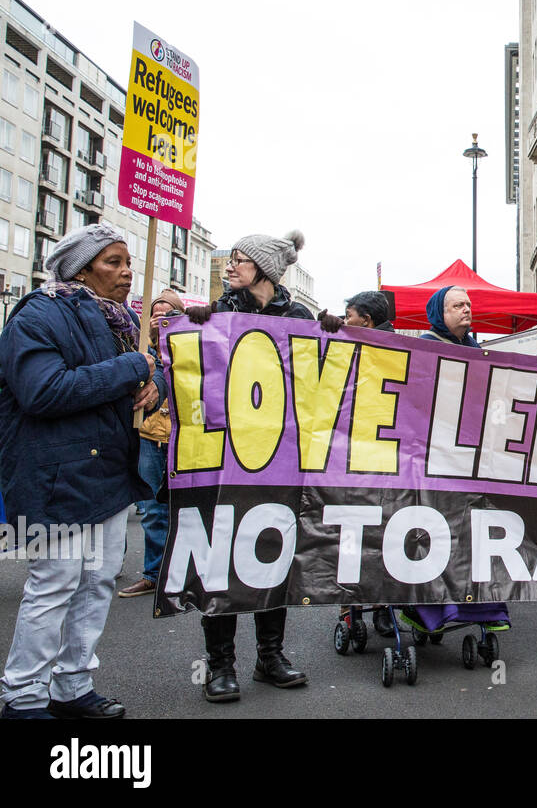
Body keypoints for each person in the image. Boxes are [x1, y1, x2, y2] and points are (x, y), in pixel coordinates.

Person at [0, 224, 167, 719]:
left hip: (108, 473)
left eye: (129, 262)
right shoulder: (39, 314)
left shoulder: (118, 321)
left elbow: (129, 377)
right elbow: (42, 390)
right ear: (80, 267)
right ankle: (23, 694)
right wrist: (132, 369)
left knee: (97, 581)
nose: (126, 272)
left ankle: (71, 685)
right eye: (113, 262)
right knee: (54, 585)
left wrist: (150, 385)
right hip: (54, 474)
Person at [185, 230, 332, 702]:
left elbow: (319, 381)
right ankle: (220, 664)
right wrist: (188, 327)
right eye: (231, 260)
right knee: (222, 555)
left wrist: (332, 335)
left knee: (272, 554)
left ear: (264, 270)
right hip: (225, 458)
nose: (230, 267)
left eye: (240, 260)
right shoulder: (220, 312)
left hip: (281, 458)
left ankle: (271, 656)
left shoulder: (298, 317)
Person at [117, 289, 187, 600]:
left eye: (167, 311)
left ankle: (184, 573)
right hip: (148, 437)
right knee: (151, 511)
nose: (160, 315)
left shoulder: (187, 347)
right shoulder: (140, 347)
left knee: (184, 510)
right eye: (155, 310)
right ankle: (154, 574)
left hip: (180, 437)